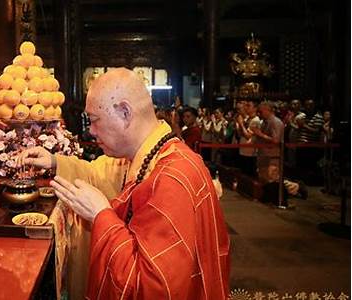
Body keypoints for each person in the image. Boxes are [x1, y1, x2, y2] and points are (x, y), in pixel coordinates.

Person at [18, 68, 230, 299]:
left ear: (125, 112)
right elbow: (98, 174)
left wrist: (102, 215)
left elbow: (152, 288)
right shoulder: (151, 155)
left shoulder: (171, 177)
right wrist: (53, 162)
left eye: (95, 120)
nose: (91, 130)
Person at [252, 101, 284, 204]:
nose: (259, 114)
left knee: (272, 179)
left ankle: (275, 200)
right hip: (263, 156)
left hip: (272, 157)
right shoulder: (264, 122)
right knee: (264, 179)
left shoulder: (276, 122)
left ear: (267, 110)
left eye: (261, 111)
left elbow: (276, 140)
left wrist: (259, 133)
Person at [236, 100, 261, 177]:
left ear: (255, 108)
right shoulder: (247, 119)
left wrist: (241, 124)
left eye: (249, 106)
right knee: (243, 175)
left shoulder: (256, 120)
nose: (246, 108)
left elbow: (247, 136)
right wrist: (239, 126)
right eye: (246, 106)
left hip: (251, 153)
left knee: (250, 176)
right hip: (243, 150)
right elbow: (240, 134)